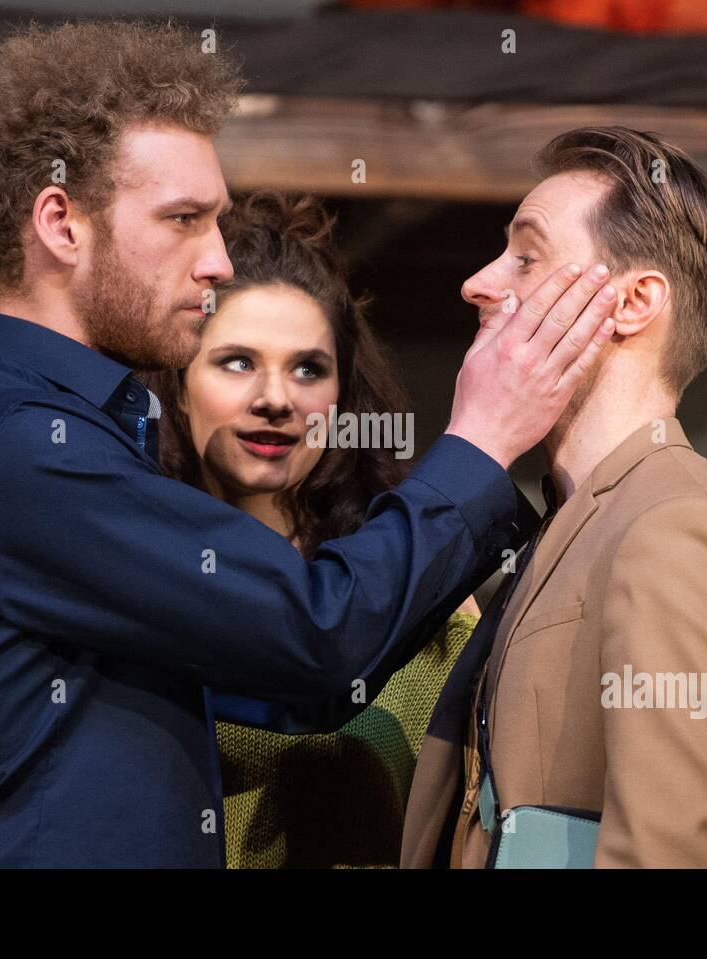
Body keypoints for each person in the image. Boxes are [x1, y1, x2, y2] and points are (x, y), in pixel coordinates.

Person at [0, 20, 616, 867]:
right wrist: (482, 436)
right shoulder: (22, 445)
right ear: (62, 224)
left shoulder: (66, 436)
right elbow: (313, 632)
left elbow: (286, 685)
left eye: (216, 221)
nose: (218, 260)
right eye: (183, 219)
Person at [401, 126, 707, 868]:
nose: (478, 282)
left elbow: (673, 855)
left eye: (525, 255)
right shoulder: (568, 520)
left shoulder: (676, 526)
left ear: (634, 302)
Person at [148, 190, 480, 868]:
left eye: (308, 368)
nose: (276, 397)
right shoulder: (132, 578)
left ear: (343, 397)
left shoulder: (419, 599)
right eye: (236, 360)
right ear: (179, 385)